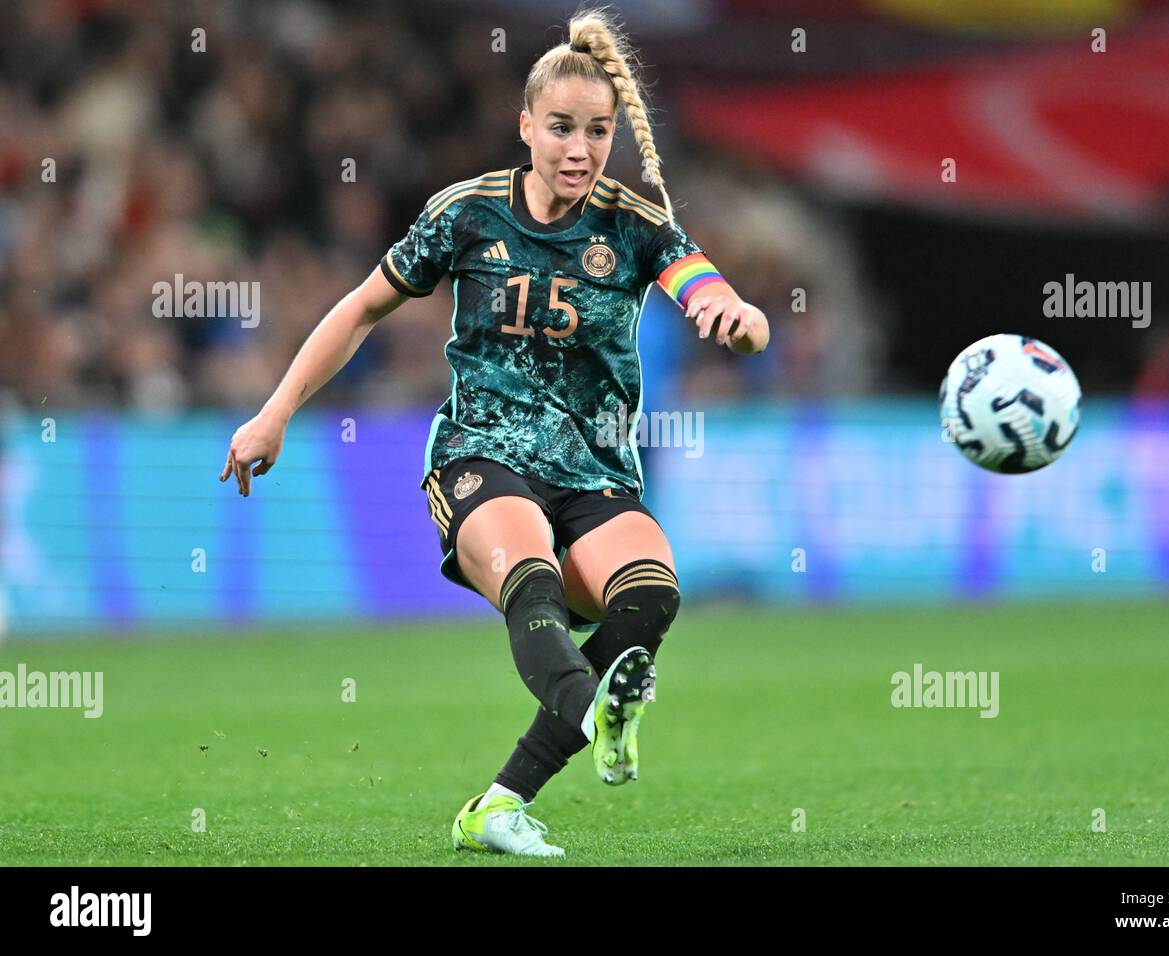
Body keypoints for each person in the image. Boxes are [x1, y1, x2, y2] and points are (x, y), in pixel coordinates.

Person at [220, 8, 769, 857]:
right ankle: (597, 709)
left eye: (596, 131)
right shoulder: (468, 215)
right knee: (535, 580)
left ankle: (499, 804)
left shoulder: (635, 223)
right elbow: (365, 306)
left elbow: (712, 295)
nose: (579, 150)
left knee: (652, 596)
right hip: (481, 456)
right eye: (560, 129)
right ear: (526, 127)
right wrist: (276, 409)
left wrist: (738, 318)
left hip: (594, 473)